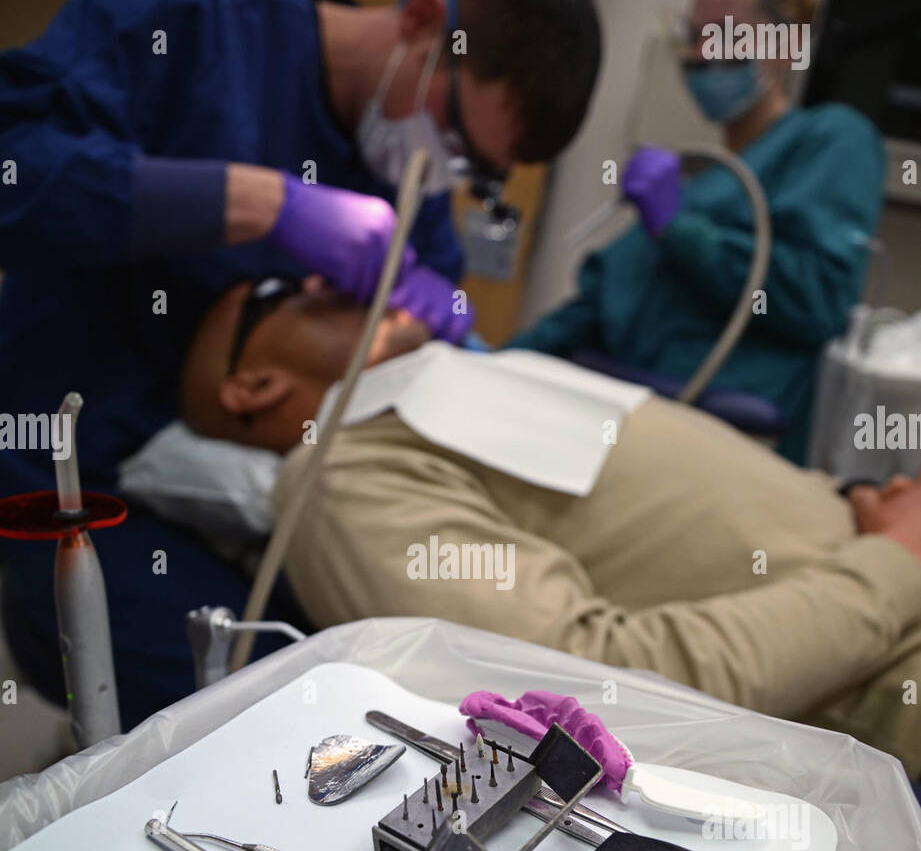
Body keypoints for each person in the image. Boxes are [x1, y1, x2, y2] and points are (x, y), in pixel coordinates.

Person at [0, 0, 601, 725]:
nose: (443, 172)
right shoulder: (185, 14)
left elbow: (418, 323)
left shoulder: (409, 176)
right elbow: (18, 174)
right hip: (86, 485)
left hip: (262, 503)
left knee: (404, 666)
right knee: (290, 704)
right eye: (451, 136)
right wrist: (262, 203)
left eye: (475, 174)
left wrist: (445, 326)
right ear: (424, 21)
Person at [176, 277, 921, 778]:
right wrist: (891, 560)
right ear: (253, 386)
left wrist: (856, 504)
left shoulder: (459, 387)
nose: (323, 280)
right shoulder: (340, 472)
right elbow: (599, 684)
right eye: (284, 289)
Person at [513, 0, 885, 464]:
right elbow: (600, 307)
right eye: (695, 34)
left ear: (787, 46)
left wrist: (679, 230)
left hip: (721, 445)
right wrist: (498, 359)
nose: (704, 52)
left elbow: (817, 299)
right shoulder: (701, 186)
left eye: (728, 33)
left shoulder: (832, 140)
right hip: (623, 417)